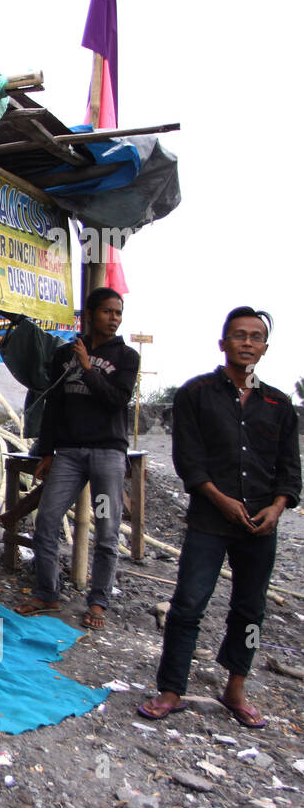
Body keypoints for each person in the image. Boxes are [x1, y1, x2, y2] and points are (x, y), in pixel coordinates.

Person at [139, 307, 301, 727]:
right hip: (209, 523)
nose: (247, 343)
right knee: (188, 605)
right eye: (239, 335)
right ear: (223, 343)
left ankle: (236, 689)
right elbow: (188, 461)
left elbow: (289, 469)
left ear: (264, 348)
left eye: (256, 337)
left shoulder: (279, 404)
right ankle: (171, 689)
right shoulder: (195, 394)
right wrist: (221, 499)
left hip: (259, 528)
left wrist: (277, 507)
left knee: (250, 610)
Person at [16, 287, 139, 629]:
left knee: (106, 529)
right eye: (107, 312)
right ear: (90, 314)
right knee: (48, 519)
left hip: (107, 456)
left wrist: (88, 369)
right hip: (68, 454)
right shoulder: (63, 355)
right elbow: (55, 407)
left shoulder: (127, 357)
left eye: (118, 313)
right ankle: (47, 593)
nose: (114, 319)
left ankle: (98, 602)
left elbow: (116, 399)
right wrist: (47, 451)